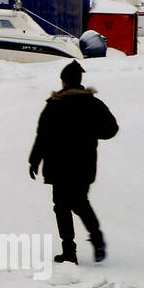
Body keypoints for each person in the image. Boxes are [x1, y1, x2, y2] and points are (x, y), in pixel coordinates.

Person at [29, 59, 118, 264]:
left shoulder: (55, 105)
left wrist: (34, 160)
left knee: (61, 206)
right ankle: (97, 238)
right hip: (84, 164)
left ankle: (69, 252)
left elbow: (42, 135)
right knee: (79, 202)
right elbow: (111, 129)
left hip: (58, 165)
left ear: (64, 82)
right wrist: (90, 133)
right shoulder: (93, 104)